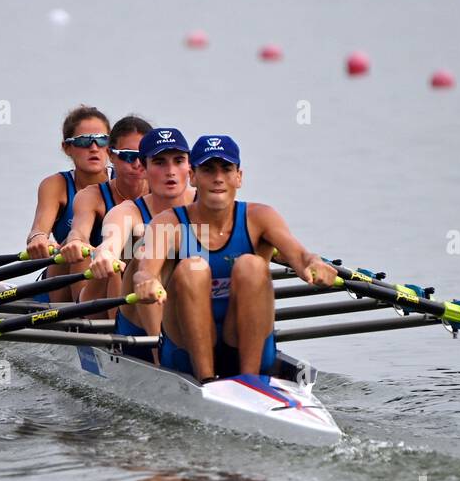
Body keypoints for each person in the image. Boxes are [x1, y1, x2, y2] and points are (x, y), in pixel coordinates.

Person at [132, 135, 337, 381]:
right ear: (194, 177)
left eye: (226, 169)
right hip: (184, 350)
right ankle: (206, 380)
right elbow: (146, 270)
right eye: (208, 169)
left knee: (251, 265)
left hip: (242, 341)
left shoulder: (261, 217)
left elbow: (301, 255)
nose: (218, 178)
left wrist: (314, 264)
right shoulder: (168, 222)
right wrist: (146, 282)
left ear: (239, 177)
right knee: (193, 268)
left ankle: (250, 381)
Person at [79, 128, 196, 360]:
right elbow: (111, 241)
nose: (170, 171)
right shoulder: (128, 211)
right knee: (148, 245)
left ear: (190, 168)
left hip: (195, 311)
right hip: (138, 322)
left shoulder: (211, 203)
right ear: (143, 168)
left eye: (178, 161)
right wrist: (105, 254)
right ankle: (163, 360)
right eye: (160, 162)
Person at [57, 115, 152, 298]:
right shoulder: (90, 196)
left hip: (144, 287)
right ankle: (87, 317)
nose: (138, 164)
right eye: (128, 156)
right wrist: (75, 241)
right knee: (95, 253)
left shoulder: (164, 195)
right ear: (110, 155)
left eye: (143, 157)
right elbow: (79, 232)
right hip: (94, 291)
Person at [23, 105, 111, 302]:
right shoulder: (56, 185)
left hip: (109, 279)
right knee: (76, 248)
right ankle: (76, 321)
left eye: (102, 139)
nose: (94, 148)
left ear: (110, 147)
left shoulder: (125, 182)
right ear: (67, 148)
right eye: (83, 141)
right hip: (58, 285)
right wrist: (38, 239)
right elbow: (39, 229)